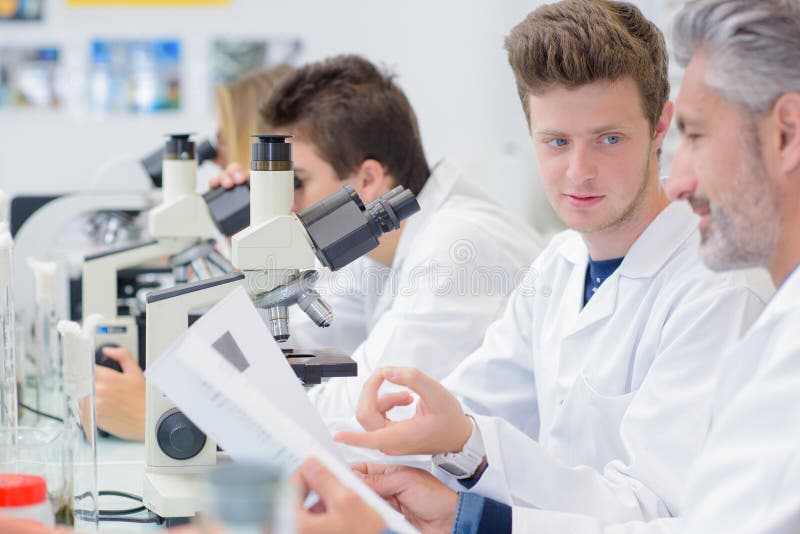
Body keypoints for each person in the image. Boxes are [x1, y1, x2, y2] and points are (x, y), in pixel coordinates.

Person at [328, 0, 773, 530]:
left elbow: (657, 509)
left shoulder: (718, 290)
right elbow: (473, 409)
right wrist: (389, 458)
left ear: (660, 127)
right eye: (556, 142)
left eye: (609, 139)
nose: (579, 172)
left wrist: (467, 459)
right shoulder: (560, 263)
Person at [212, 54, 544, 427]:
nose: (286, 205)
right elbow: (298, 340)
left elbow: (372, 406)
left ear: (367, 181)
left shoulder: (457, 247)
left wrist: (213, 413)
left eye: (297, 182)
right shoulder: (379, 248)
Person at [93, 65, 293, 441]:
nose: (214, 153)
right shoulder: (252, 210)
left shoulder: (296, 233)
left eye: (222, 135)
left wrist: (147, 415)